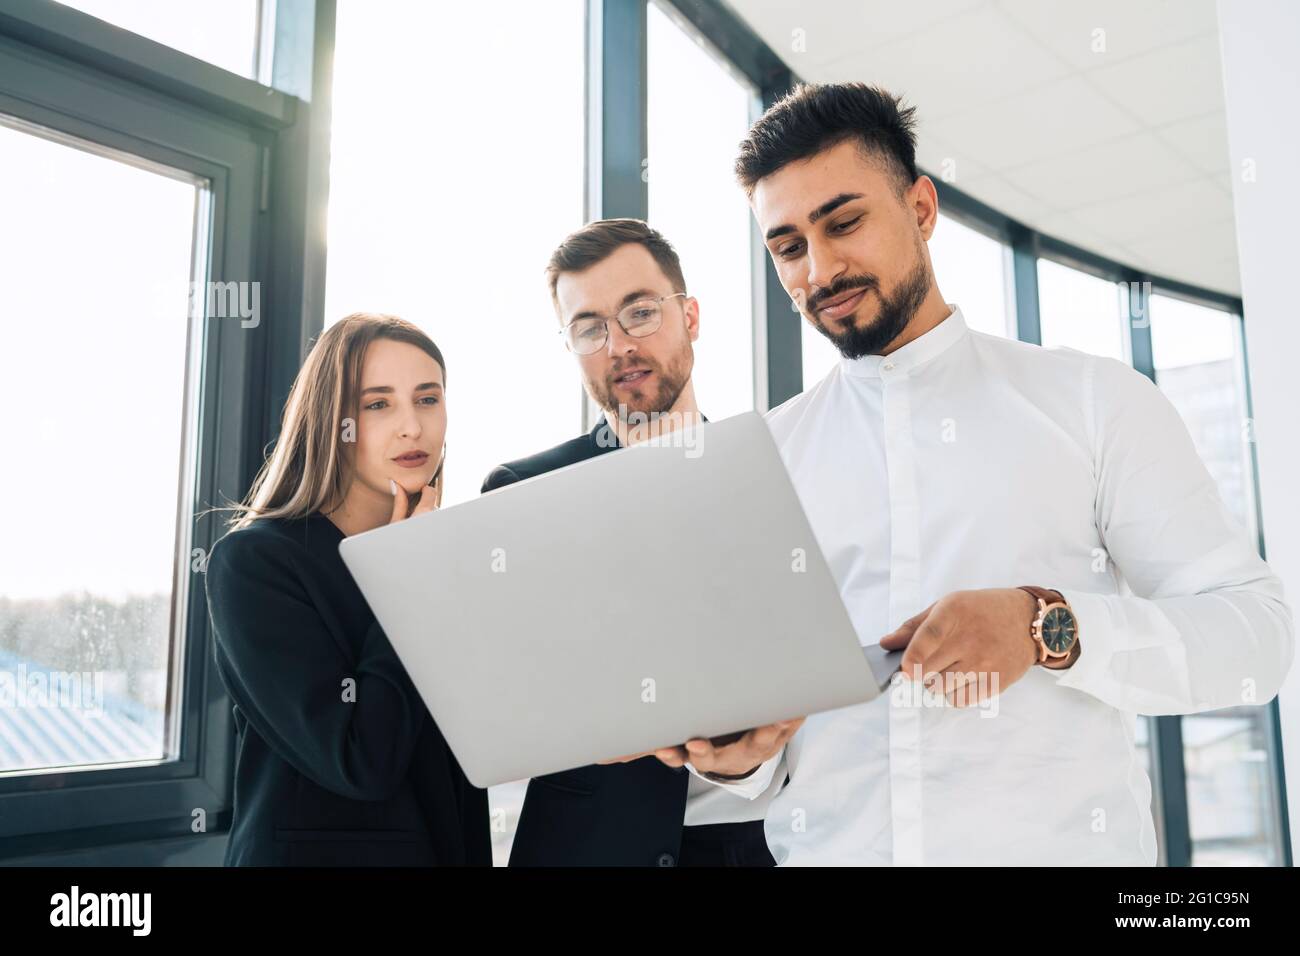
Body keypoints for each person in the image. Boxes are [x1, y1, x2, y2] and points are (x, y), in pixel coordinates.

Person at [689, 81, 1294, 865]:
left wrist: (1045, 626)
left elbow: (1257, 643)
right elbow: (767, 761)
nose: (821, 269)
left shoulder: (1091, 402)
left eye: (844, 223)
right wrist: (741, 756)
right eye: (788, 247)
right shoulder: (761, 463)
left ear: (922, 209)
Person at [482, 219, 798, 866]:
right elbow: (506, 700)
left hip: (749, 843)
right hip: (585, 849)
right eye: (589, 328)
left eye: (641, 312)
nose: (619, 344)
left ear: (692, 317)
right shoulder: (522, 494)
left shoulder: (778, 471)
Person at [205, 313, 490, 866]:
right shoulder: (255, 563)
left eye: (427, 399)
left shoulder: (445, 559)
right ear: (330, 421)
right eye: (377, 404)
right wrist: (410, 570)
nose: (412, 427)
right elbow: (361, 761)